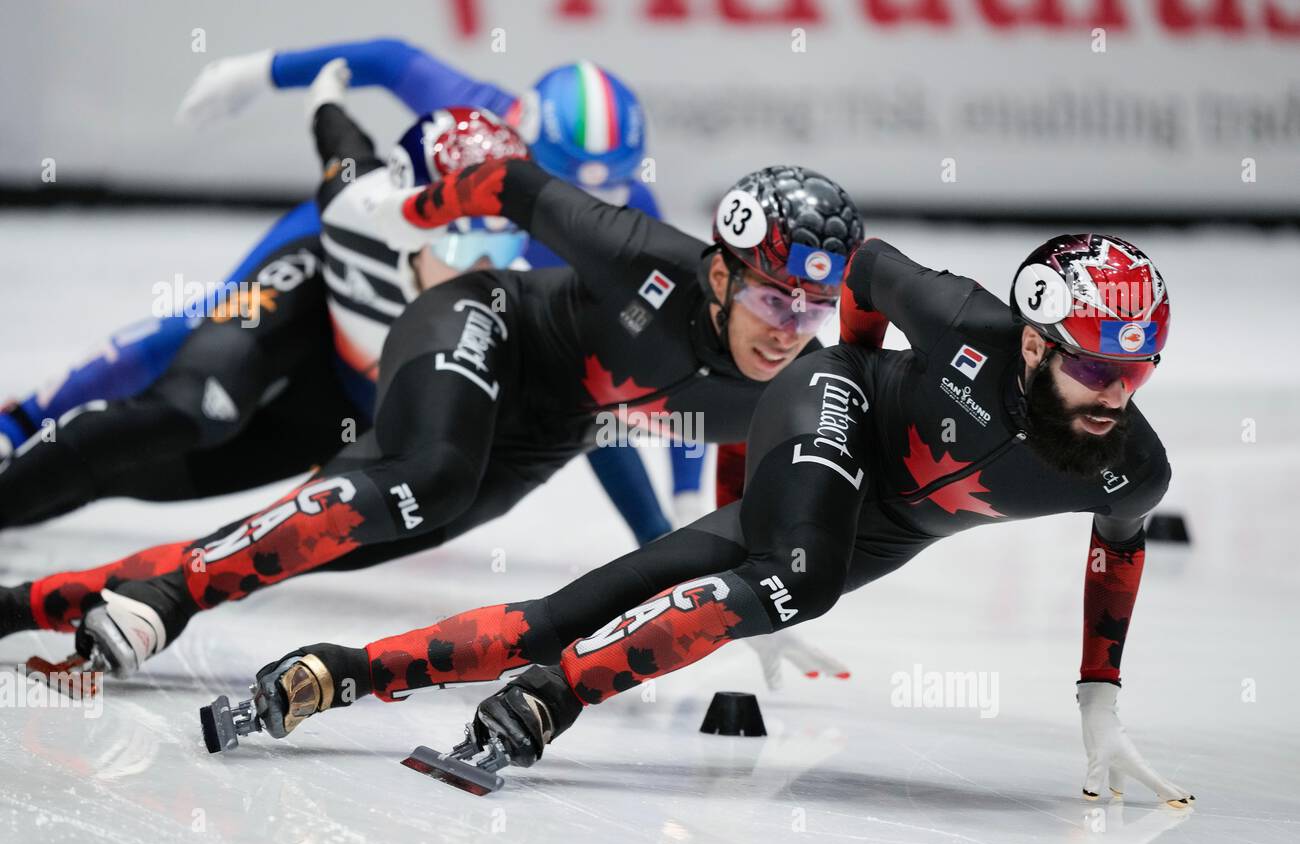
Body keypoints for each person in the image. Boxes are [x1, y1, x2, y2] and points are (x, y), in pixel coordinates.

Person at [241, 233, 1195, 808]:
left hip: (879, 528)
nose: (1117, 394)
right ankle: (544, 706)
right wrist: (863, 369)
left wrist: (1098, 698)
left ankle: (343, 670)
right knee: (798, 581)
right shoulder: (965, 322)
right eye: (1096, 368)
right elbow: (863, 269)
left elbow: (1118, 555)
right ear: (1034, 343)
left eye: (1137, 371)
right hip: (834, 405)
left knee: (569, 614)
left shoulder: (1132, 467)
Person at [0, 149, 864, 681]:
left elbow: (752, 461)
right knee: (432, 477)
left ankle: (28, 602)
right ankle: (165, 600)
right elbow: (511, 181)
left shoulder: (790, 382)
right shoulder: (641, 256)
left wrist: (749, 587)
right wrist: (404, 215)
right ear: (720, 277)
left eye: (811, 309)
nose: (789, 331)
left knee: (327, 544)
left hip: (541, 437)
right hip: (480, 323)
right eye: (773, 299)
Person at [178, 39, 704, 539]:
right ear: (523, 138)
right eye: (571, 181)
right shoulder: (479, 112)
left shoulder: (632, 217)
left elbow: (662, 358)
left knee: (574, 380)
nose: (587, 208)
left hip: (418, 326)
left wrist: (683, 502)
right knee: (189, 333)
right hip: (348, 242)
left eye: (610, 187)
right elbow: (388, 59)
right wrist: (263, 70)